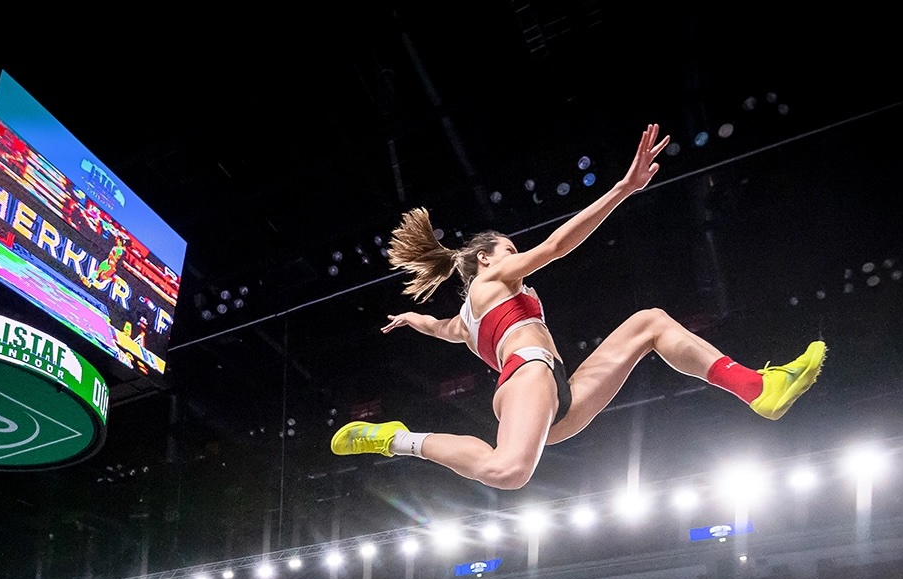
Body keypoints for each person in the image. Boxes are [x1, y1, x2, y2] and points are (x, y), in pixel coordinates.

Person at [329, 123, 826, 490]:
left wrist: (412, 319)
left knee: (649, 322)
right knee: (507, 471)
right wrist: (621, 190)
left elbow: (436, 327)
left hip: (556, 397)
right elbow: (557, 247)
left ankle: (756, 386)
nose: (513, 254)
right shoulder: (497, 277)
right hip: (527, 381)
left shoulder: (465, 322)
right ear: (484, 260)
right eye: (506, 247)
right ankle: (396, 438)